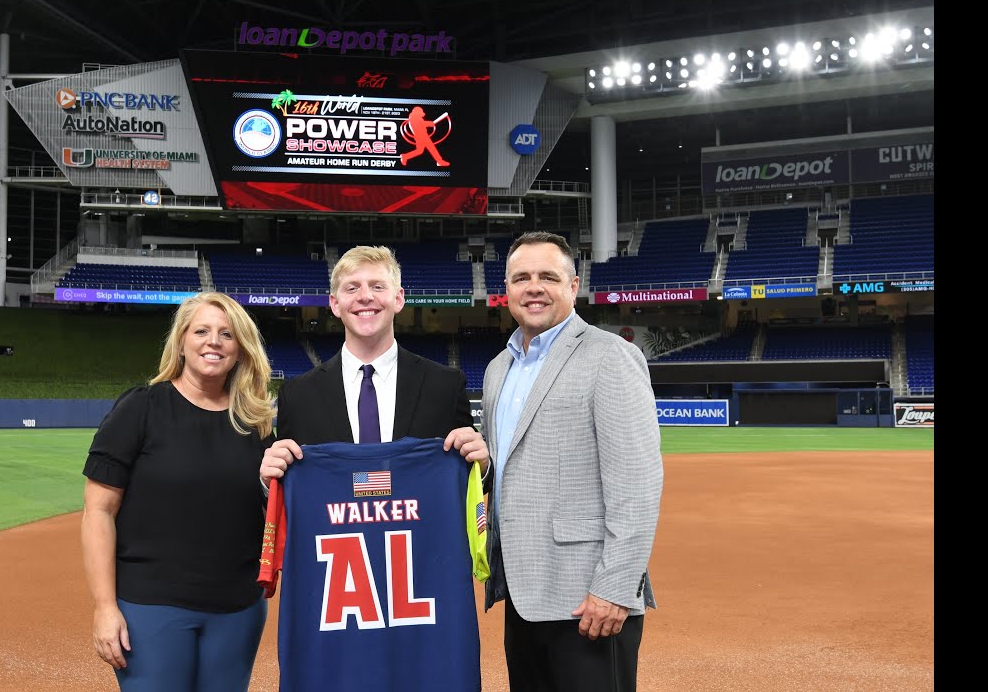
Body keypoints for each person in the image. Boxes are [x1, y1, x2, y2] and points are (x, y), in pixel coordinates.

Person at [481, 231, 664, 692]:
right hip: (523, 596)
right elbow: (506, 470)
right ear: (506, 290)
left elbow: (638, 483)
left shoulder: (611, 356)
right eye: (521, 278)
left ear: (573, 285)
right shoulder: (498, 368)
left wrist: (614, 587)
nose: (534, 287)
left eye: (548, 276)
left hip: (589, 599)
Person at [80, 292, 276, 692]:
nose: (213, 341)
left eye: (227, 334)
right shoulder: (141, 408)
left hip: (237, 609)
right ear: (181, 342)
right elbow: (98, 511)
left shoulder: (256, 423)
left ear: (240, 349)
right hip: (151, 607)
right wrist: (104, 606)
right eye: (201, 331)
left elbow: (272, 508)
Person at [259, 244, 488, 475]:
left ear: (398, 299)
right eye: (352, 288)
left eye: (377, 286)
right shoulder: (297, 396)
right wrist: (270, 483)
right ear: (335, 304)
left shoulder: (446, 387)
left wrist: (482, 467)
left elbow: (469, 478)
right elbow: (290, 484)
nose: (365, 296)